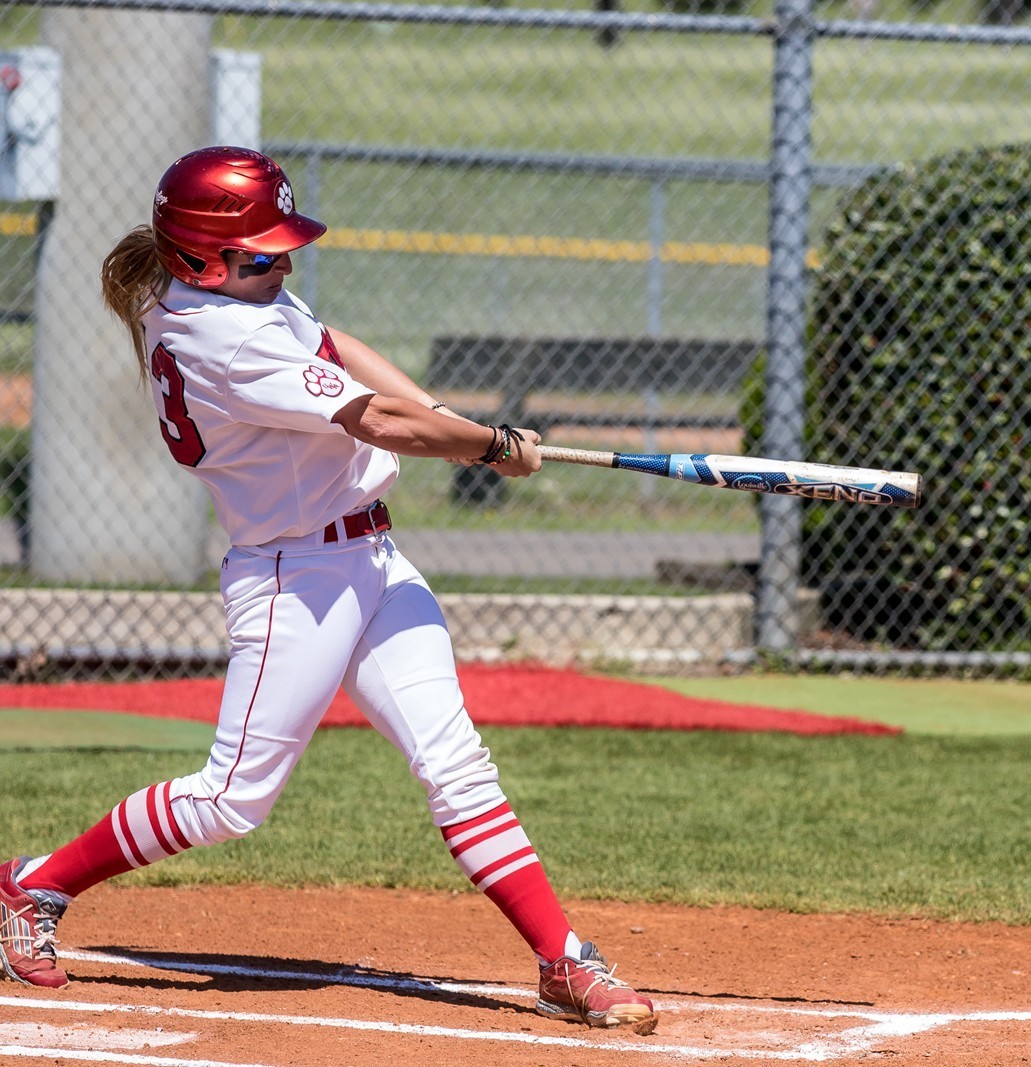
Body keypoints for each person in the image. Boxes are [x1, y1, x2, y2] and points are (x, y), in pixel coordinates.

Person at [0, 145, 657, 1035]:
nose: (283, 263)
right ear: (202, 257)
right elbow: (376, 419)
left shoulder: (237, 294)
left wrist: (461, 425)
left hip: (373, 562)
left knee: (455, 760)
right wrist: (487, 445)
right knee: (233, 800)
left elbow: (334, 346)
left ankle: (562, 958)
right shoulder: (222, 336)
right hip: (291, 580)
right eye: (261, 252)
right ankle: (36, 881)